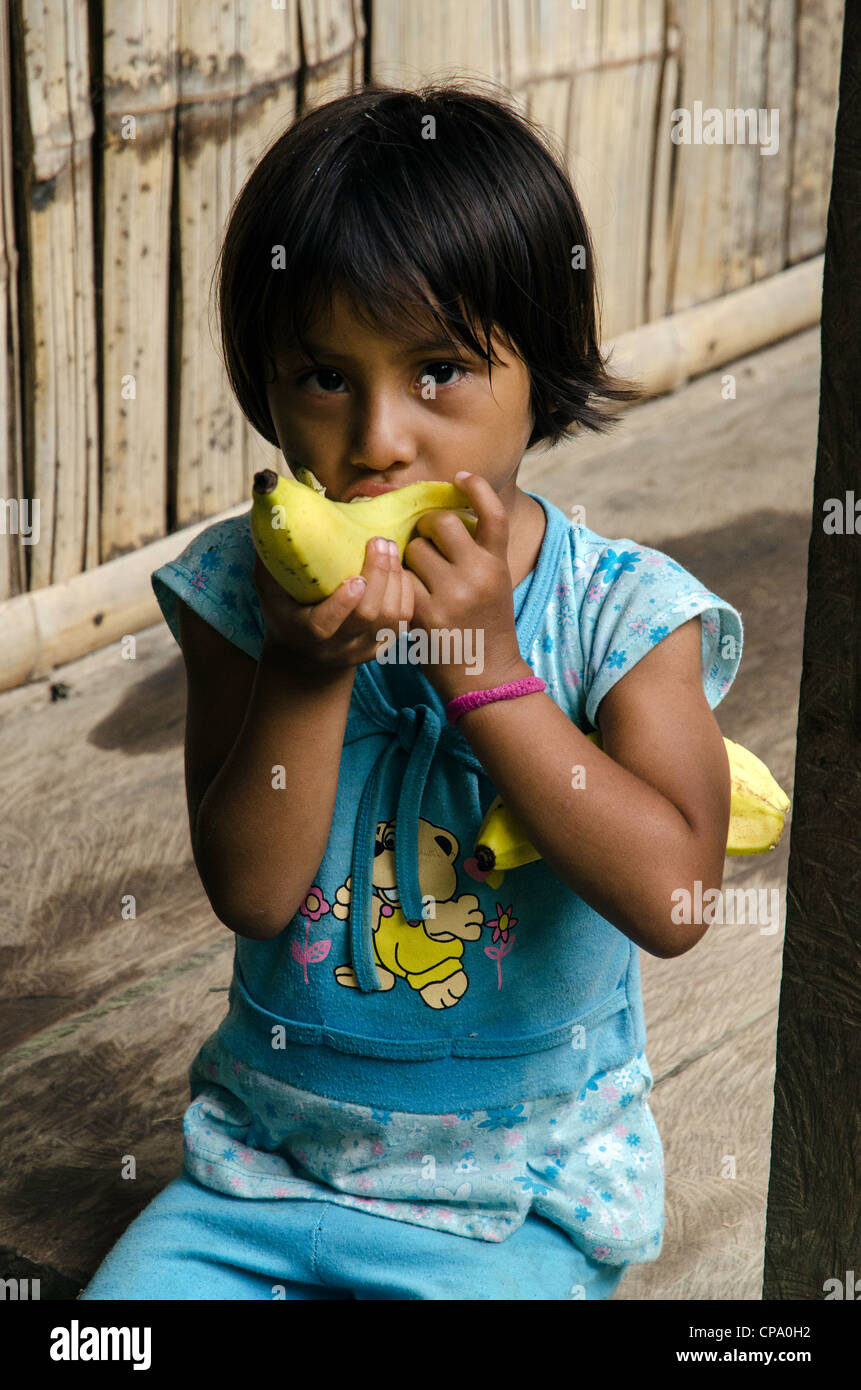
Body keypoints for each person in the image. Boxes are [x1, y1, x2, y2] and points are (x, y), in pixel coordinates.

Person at [79, 81, 741, 1301]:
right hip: (254, 1180)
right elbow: (252, 887)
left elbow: (680, 892)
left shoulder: (620, 614)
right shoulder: (246, 590)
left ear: (539, 370)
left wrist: (488, 673)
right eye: (324, 378)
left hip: (517, 1205)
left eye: (439, 369)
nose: (378, 438)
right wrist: (304, 672)